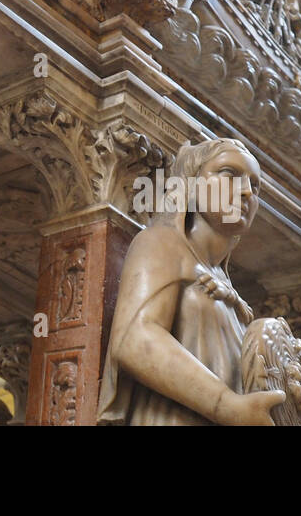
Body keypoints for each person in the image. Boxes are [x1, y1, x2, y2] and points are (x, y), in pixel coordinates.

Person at [98, 139, 286, 426]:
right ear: (192, 183)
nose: (247, 191)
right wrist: (228, 406)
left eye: (255, 185)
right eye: (229, 174)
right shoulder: (162, 243)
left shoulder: (232, 295)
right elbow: (135, 339)